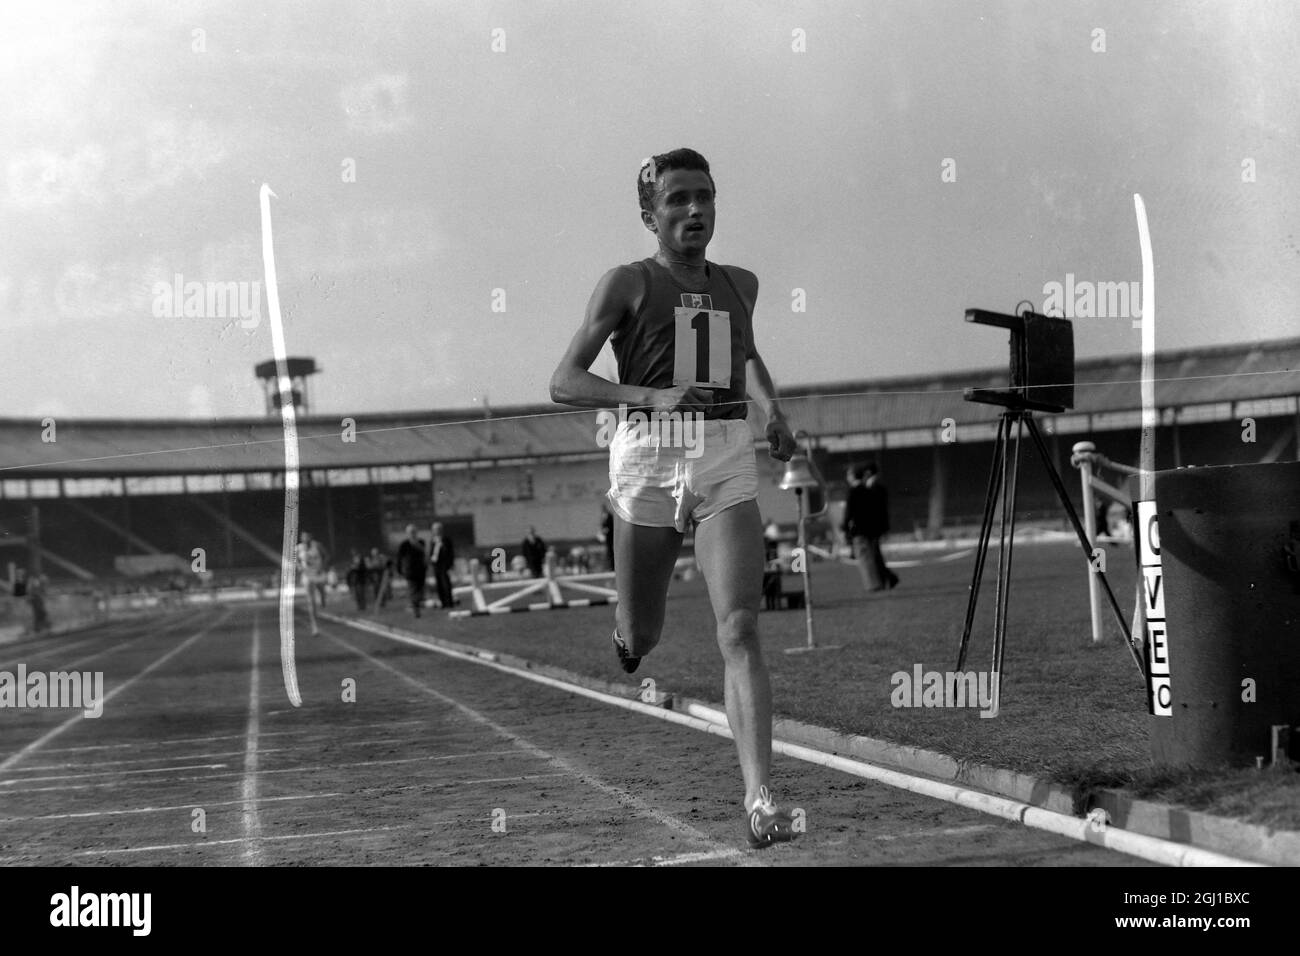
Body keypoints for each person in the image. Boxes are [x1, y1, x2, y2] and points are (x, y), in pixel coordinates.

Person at [549, 147, 800, 850]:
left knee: (740, 628)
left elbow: (745, 357)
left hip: (724, 455)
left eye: (706, 197)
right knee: (645, 632)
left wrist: (773, 413)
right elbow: (565, 379)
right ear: (649, 214)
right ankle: (628, 638)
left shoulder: (740, 283)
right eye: (679, 200)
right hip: (648, 459)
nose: (696, 210)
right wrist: (646, 393)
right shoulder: (626, 284)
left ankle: (760, 799)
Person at [843, 462, 899, 593]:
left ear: (852, 476)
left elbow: (848, 514)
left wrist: (845, 529)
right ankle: (885, 580)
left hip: (859, 531)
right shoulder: (867, 490)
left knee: (865, 558)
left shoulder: (853, 491)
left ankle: (874, 584)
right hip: (871, 530)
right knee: (873, 556)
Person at [395, 524, 428, 617]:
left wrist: (415, 544)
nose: (412, 534)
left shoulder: (421, 542)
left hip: (421, 571)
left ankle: (417, 604)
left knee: (420, 590)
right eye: (410, 532)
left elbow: (424, 553)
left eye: (414, 532)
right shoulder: (404, 544)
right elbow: (399, 558)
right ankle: (415, 609)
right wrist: (399, 569)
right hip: (410, 571)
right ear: (407, 533)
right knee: (413, 590)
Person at [295, 531, 328, 609]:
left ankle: (322, 601)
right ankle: (313, 618)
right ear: (301, 538)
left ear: (311, 537)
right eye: (303, 537)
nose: (305, 538)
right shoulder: (298, 548)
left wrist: (323, 567)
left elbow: (326, 556)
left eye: (307, 536)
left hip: (318, 572)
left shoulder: (317, 545)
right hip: (307, 574)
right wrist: (298, 566)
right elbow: (294, 559)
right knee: (310, 597)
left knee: (322, 591)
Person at [429, 522, 456, 608]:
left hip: (445, 565)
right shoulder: (432, 541)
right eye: (435, 529)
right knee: (439, 584)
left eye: (438, 529)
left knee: (446, 584)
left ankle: (449, 602)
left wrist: (450, 564)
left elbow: (450, 553)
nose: (437, 531)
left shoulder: (446, 540)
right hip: (436, 565)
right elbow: (431, 553)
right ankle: (443, 602)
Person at [599, 501, 616, 572]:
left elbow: (611, 526)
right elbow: (602, 526)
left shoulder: (609, 515)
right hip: (606, 537)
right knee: (608, 552)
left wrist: (607, 530)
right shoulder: (603, 516)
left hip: (610, 536)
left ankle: (613, 566)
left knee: (611, 551)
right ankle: (610, 566)